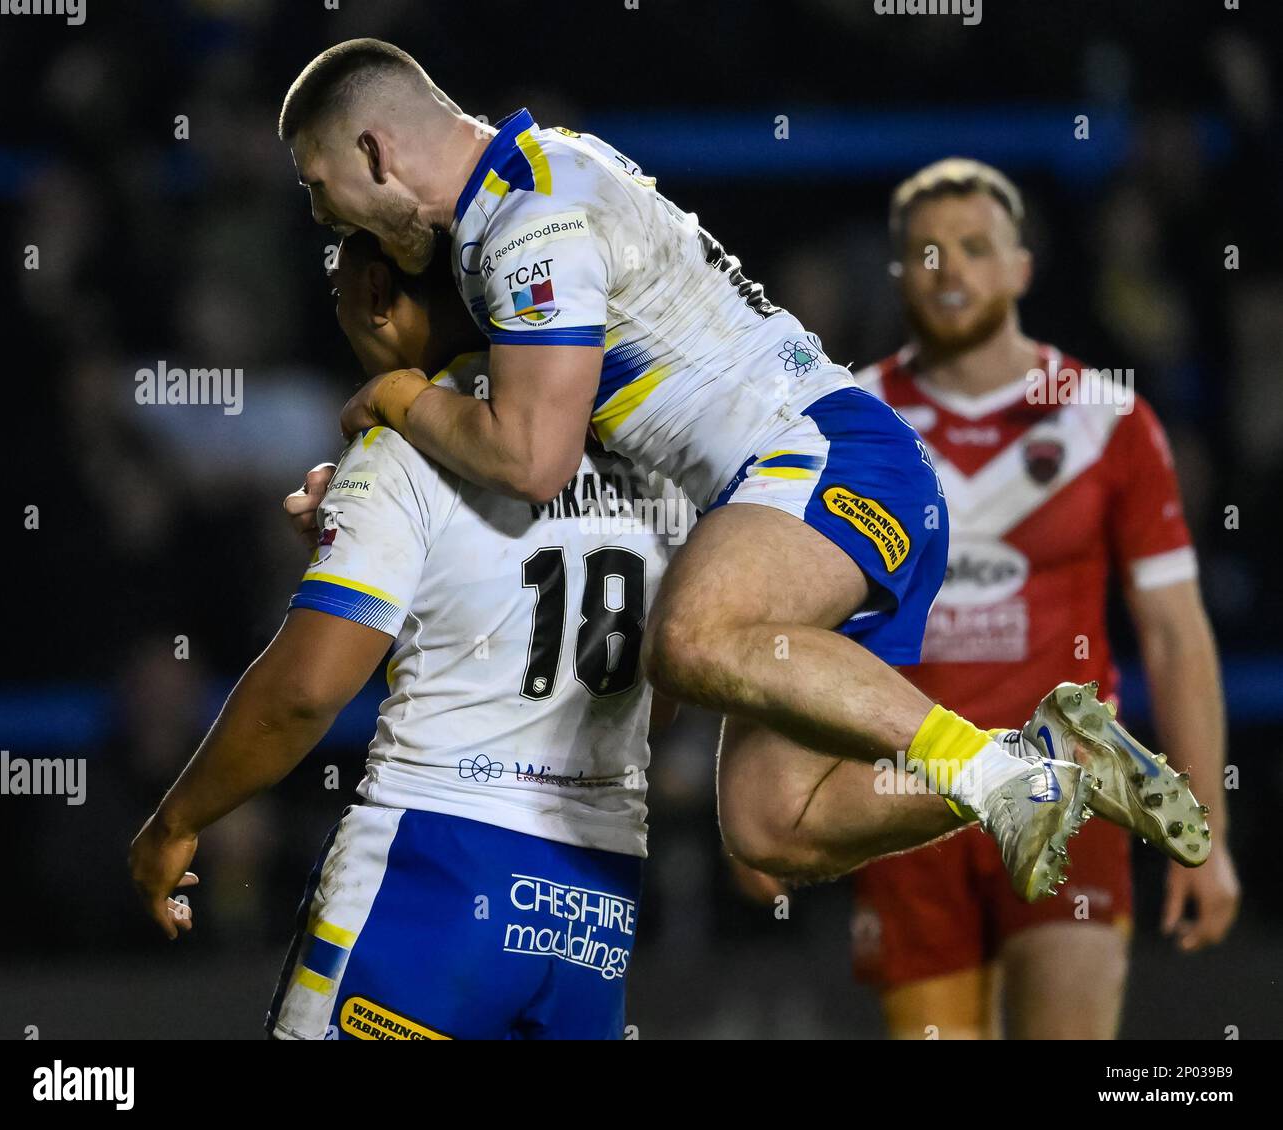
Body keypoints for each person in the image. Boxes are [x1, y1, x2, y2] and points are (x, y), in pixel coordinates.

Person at [274, 38, 1211, 904]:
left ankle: (991, 774)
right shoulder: (531, 185)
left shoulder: (525, 227)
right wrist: (373, 482)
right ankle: (1050, 763)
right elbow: (551, 444)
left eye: (320, 188)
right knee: (772, 825)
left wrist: (396, 398)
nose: (323, 218)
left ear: (374, 151)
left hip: (823, 460)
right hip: (812, 482)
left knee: (689, 639)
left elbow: (528, 457)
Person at [131, 231, 680, 1039]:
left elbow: (304, 693)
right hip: (592, 903)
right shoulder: (650, 457)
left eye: (340, 284)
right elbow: (652, 702)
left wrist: (173, 824)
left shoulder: (397, 451)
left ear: (379, 292)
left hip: (432, 880)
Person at [848, 159, 1239, 1039]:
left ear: (1023, 268)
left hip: (1072, 794)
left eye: (976, 249)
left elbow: (1175, 635)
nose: (950, 273)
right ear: (899, 271)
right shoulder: (849, 418)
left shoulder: (1107, 419)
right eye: (927, 253)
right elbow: (795, 619)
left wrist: (1206, 832)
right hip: (907, 797)